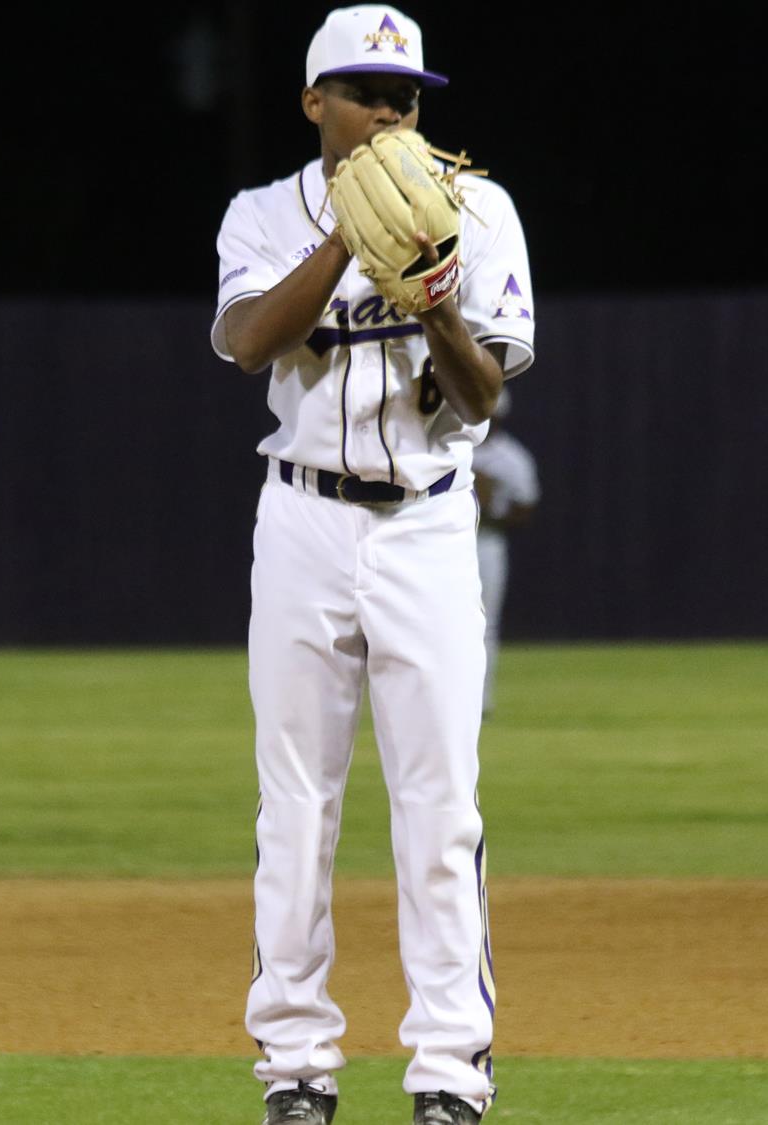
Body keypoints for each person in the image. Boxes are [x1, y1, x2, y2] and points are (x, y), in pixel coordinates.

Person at [209, 7, 535, 1123]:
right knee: (294, 806)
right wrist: (350, 237)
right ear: (315, 101)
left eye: (405, 96)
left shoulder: (477, 211)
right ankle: (296, 1069)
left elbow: (478, 396)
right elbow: (249, 342)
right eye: (365, 93)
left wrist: (435, 300)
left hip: (427, 528)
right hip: (302, 522)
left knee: (440, 806)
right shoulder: (261, 213)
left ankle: (450, 1073)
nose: (391, 113)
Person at [471, 388, 540, 715]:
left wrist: (489, 512)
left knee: (486, 624)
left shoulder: (512, 457)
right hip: (439, 541)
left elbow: (525, 509)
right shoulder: (445, 446)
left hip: (486, 542)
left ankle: (480, 700)